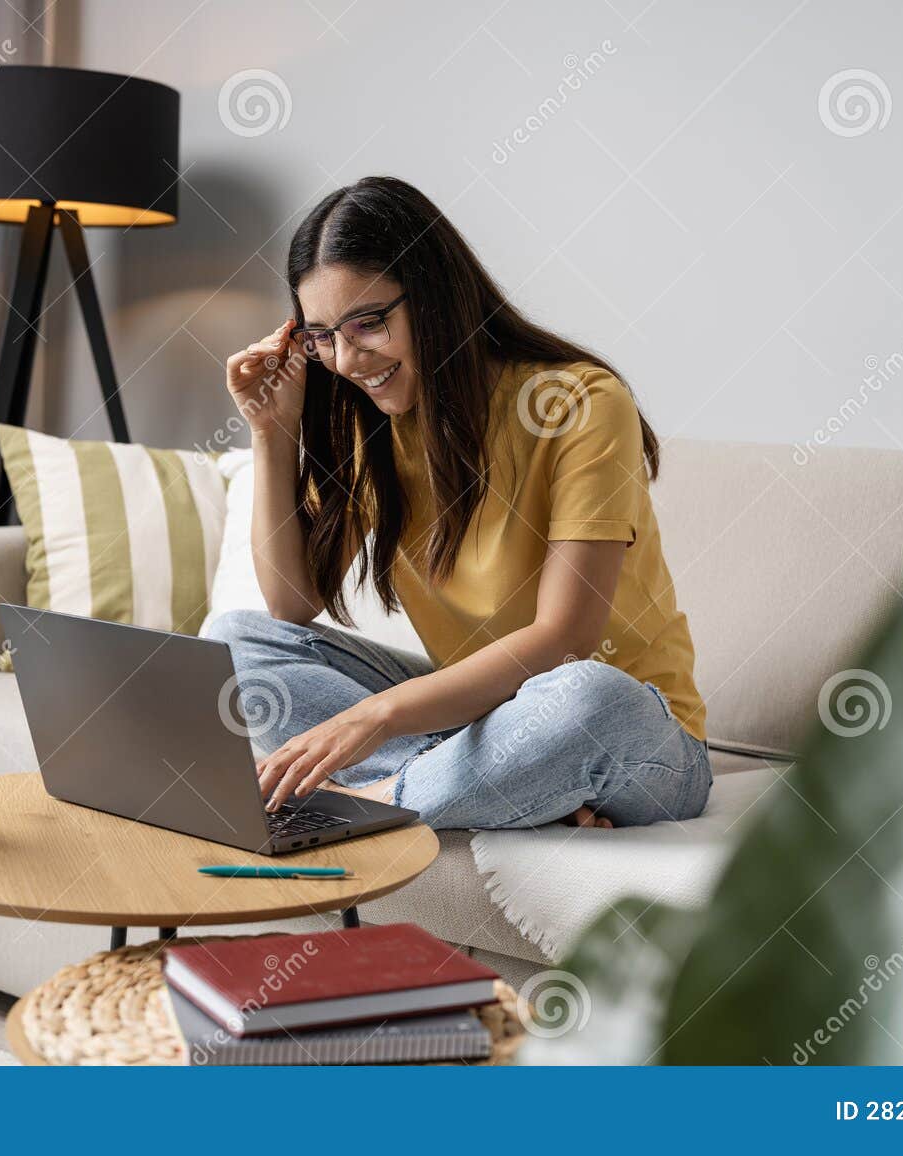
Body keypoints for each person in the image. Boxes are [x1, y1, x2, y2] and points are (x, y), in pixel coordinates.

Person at [206, 176, 709, 830]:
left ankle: (375, 805)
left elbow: (566, 640)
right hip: (482, 723)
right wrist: (271, 433)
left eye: (369, 323)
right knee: (235, 644)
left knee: (587, 699)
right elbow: (290, 604)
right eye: (322, 336)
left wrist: (375, 715)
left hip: (643, 738)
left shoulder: (580, 403)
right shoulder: (372, 424)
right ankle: (508, 785)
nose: (349, 359)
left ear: (436, 296)